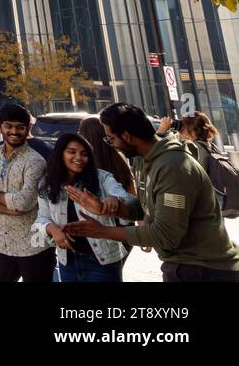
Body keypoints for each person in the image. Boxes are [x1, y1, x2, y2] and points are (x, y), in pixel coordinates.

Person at [64, 104, 239, 281]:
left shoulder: (173, 166)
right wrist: (112, 208)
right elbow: (145, 206)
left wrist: (103, 231)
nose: (113, 146)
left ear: (127, 136)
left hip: (205, 269)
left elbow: (166, 235)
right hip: (184, 265)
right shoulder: (144, 159)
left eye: (111, 139)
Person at [35, 132, 132, 282]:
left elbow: (127, 199)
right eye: (71, 152)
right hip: (68, 261)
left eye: (84, 153)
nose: (78, 158)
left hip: (103, 262)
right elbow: (42, 218)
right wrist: (52, 229)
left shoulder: (102, 178)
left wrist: (115, 199)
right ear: (60, 154)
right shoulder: (47, 183)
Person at [0, 102, 51, 282]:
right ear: (0, 127)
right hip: (1, 242)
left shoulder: (35, 161)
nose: (14, 132)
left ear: (28, 128)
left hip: (33, 244)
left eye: (20, 127)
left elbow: (24, 203)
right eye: (8, 126)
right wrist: (8, 209)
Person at [175, 112, 238, 218]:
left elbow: (195, 179)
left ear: (191, 130)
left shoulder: (195, 148)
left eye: (183, 127)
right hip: (219, 200)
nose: (181, 131)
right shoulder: (211, 146)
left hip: (210, 204)